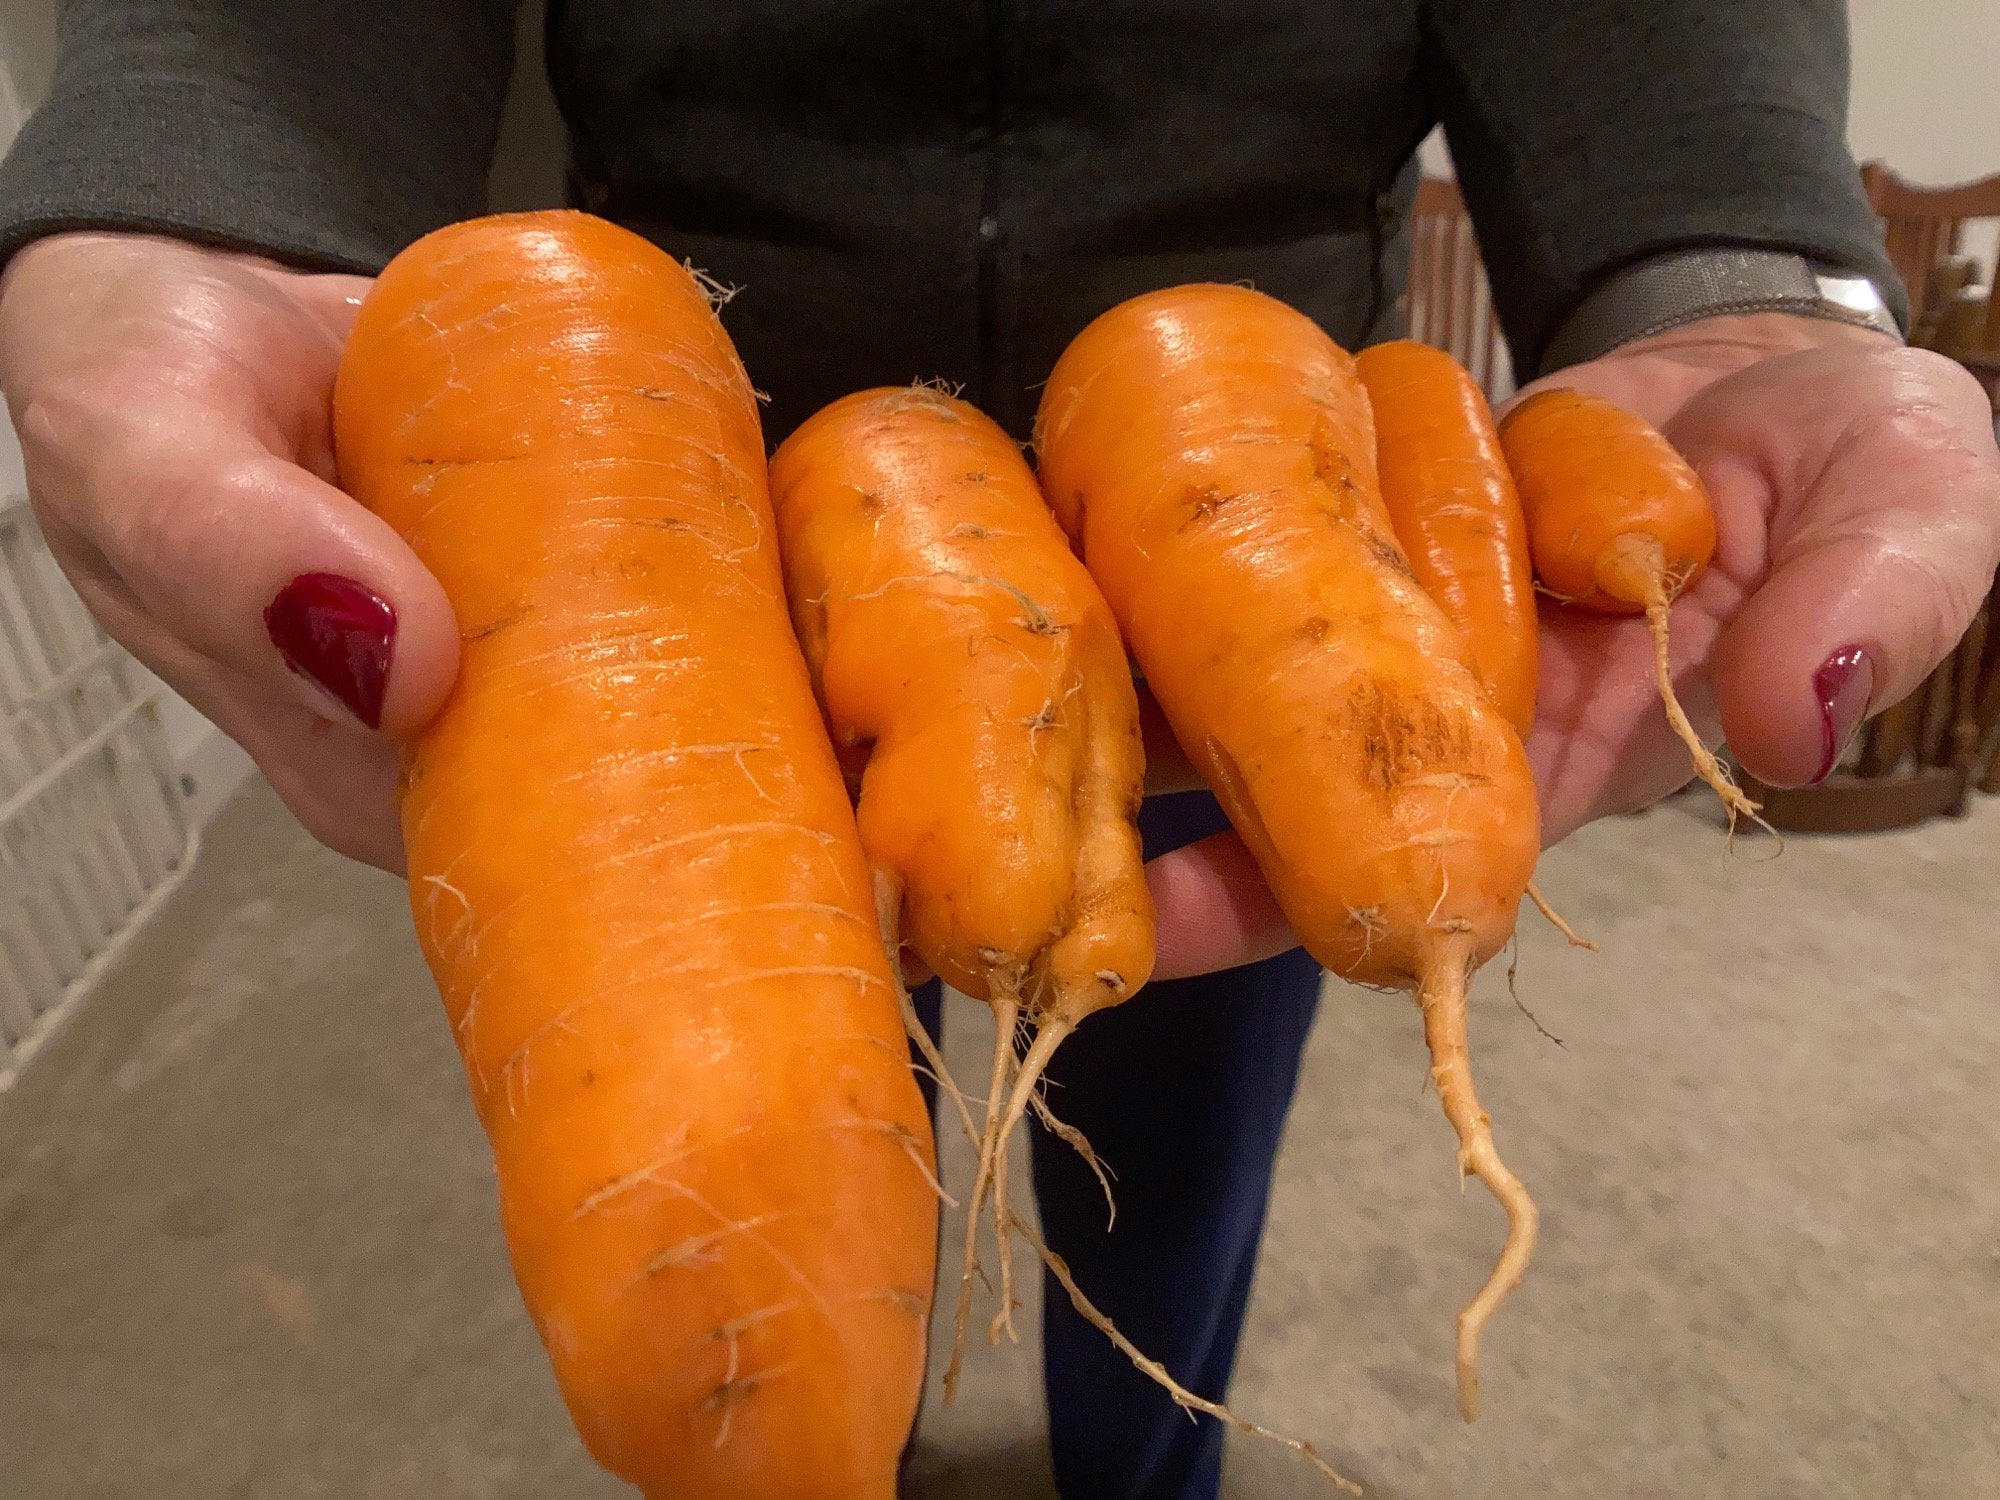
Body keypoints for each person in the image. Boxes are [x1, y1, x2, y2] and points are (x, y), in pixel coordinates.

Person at [2, 4, 1996, 1496]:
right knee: (763, 1155)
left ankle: (1147, 1463)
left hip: (1229, 509)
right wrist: (202, 178)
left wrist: (1738, 259)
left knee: (1174, 1126)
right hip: (702, 515)